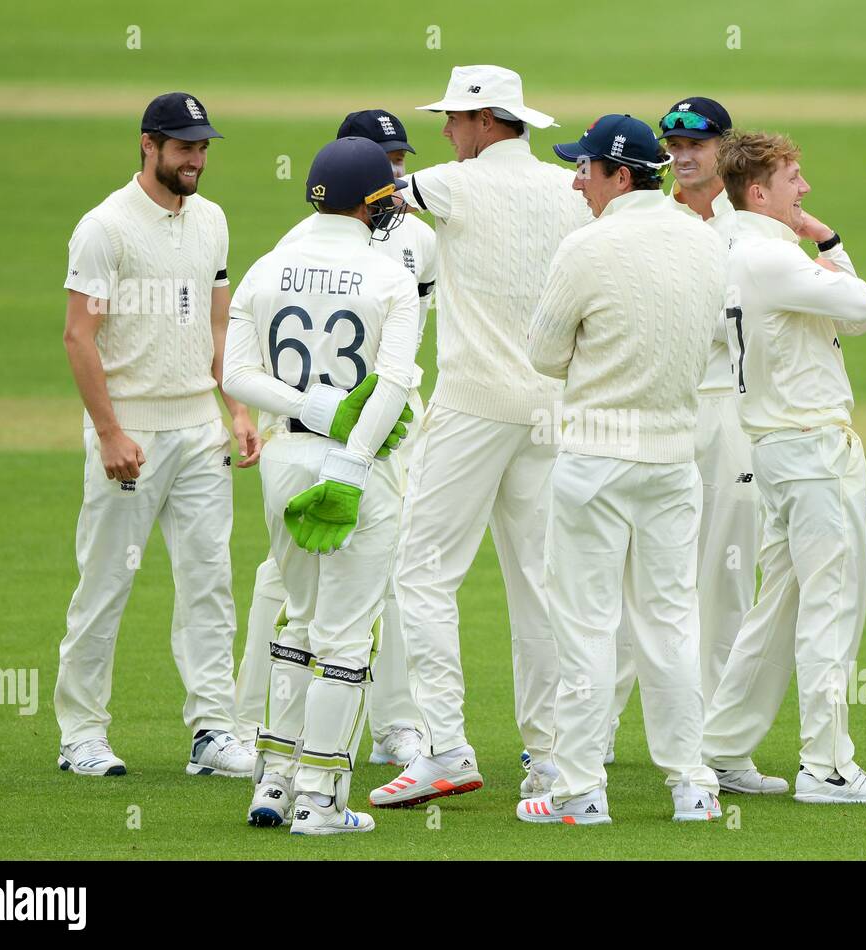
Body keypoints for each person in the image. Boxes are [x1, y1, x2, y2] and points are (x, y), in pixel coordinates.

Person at [369, 65, 592, 809]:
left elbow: (370, 194)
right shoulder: (569, 191)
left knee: (422, 572)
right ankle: (553, 758)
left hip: (472, 406)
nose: (444, 132)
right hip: (550, 409)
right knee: (541, 585)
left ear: (488, 120)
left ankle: (446, 749)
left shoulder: (452, 184)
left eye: (455, 119)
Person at [517, 115, 727, 825]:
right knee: (669, 623)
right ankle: (692, 785)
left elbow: (544, 356)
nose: (576, 181)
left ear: (621, 175)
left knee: (585, 624)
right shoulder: (704, 240)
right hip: (674, 459)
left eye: (586, 169)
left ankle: (580, 791)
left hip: (597, 460)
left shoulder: (585, 245)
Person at [57, 92, 259, 779]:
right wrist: (108, 431)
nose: (196, 159)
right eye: (184, 148)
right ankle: (81, 732)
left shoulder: (213, 221)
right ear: (148, 144)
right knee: (106, 583)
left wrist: (236, 410)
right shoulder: (104, 228)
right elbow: (78, 336)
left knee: (209, 582)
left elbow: (220, 326)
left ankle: (213, 730)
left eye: (202, 147)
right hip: (131, 435)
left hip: (199, 427)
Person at [222, 136, 418, 833]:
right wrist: (354, 455)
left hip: (283, 461)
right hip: (360, 470)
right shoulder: (388, 277)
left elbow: (234, 376)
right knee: (346, 635)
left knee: (297, 621)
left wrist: (308, 409)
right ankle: (322, 800)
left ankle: (272, 782)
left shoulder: (265, 268)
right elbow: (393, 383)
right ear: (368, 203)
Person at [701, 130, 866, 802]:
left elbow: (856, 320)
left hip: (780, 449)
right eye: (794, 179)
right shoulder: (767, 257)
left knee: (778, 606)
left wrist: (817, 241)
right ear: (760, 191)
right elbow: (865, 305)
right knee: (831, 607)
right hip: (811, 450)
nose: (804, 190)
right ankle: (826, 765)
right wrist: (828, 239)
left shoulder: (738, 248)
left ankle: (721, 748)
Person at [606, 97, 759, 767]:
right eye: (671, 140)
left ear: (725, 149)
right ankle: (585, 742)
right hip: (653, 410)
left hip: (728, 411)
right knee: (622, 578)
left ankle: (719, 749)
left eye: (698, 141)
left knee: (725, 581)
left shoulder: (751, 228)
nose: (682, 152)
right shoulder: (647, 221)